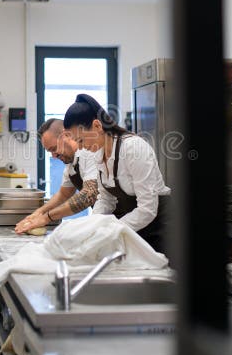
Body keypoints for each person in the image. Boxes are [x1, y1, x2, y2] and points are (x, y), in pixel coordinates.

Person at [63, 93, 171, 254]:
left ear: (97, 126)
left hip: (163, 229)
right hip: (137, 229)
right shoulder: (98, 155)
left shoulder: (133, 149)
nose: (80, 147)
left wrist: (111, 230)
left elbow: (148, 209)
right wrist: (91, 228)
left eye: (81, 140)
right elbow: (106, 200)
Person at [14, 118, 98, 234]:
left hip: (124, 221)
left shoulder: (88, 152)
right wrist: (39, 212)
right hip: (106, 221)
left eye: (54, 149)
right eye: (50, 152)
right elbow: (63, 194)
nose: (53, 156)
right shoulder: (71, 165)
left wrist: (46, 217)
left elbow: (88, 195)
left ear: (65, 136)